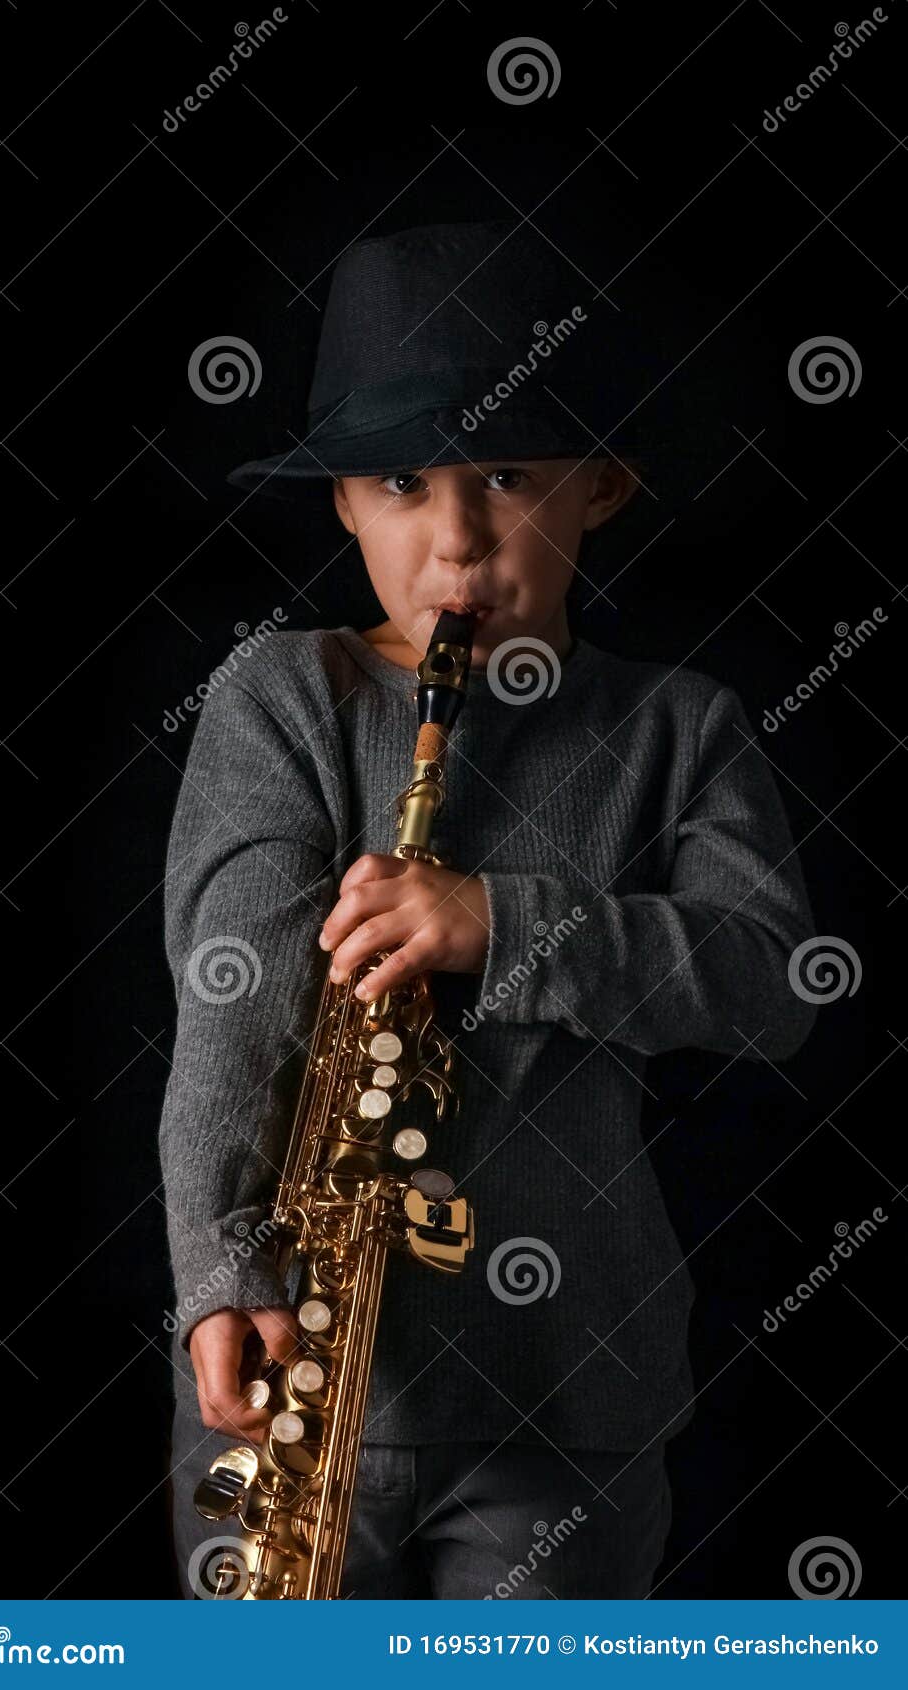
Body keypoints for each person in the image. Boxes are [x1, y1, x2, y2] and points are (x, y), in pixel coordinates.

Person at [157, 218, 817, 1599]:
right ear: (341, 498)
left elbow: (770, 982)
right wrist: (221, 1270)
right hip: (293, 1379)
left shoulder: (677, 730)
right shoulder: (281, 697)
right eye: (402, 480)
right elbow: (230, 1012)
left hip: (565, 1405)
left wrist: (509, 926)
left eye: (509, 475)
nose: (455, 541)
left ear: (607, 486)